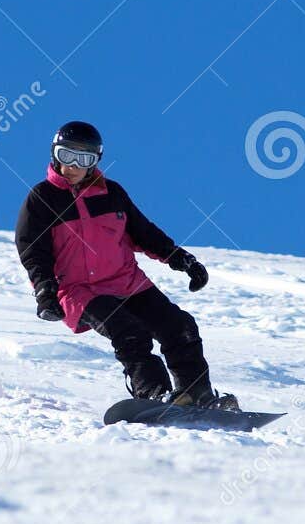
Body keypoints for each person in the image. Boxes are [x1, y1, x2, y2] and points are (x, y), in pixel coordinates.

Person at [15, 121, 237, 409]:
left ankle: (196, 394)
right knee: (130, 333)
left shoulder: (112, 195)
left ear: (96, 162)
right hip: (81, 291)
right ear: (53, 155)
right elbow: (33, 250)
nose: (72, 166)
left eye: (84, 159)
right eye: (65, 155)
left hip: (128, 283)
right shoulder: (42, 198)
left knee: (180, 325)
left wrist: (181, 260)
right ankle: (154, 394)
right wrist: (45, 291)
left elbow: (143, 233)